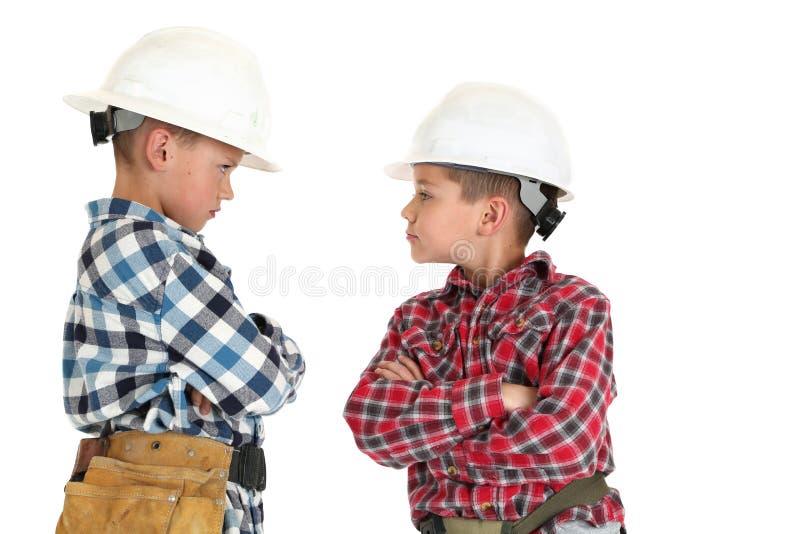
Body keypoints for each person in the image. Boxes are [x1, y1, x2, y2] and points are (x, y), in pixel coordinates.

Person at [343, 83, 625, 534]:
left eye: (425, 194)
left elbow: (565, 441)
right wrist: (502, 396)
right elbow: (371, 425)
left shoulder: (575, 307)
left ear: (490, 216)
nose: (406, 210)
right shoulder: (417, 317)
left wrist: (429, 436)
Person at [57, 27, 305, 534]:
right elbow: (269, 383)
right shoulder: (153, 254)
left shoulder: (126, 248)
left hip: (161, 500)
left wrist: (224, 363)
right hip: (166, 502)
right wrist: (267, 343)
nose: (228, 191)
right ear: (163, 150)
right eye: (224, 167)